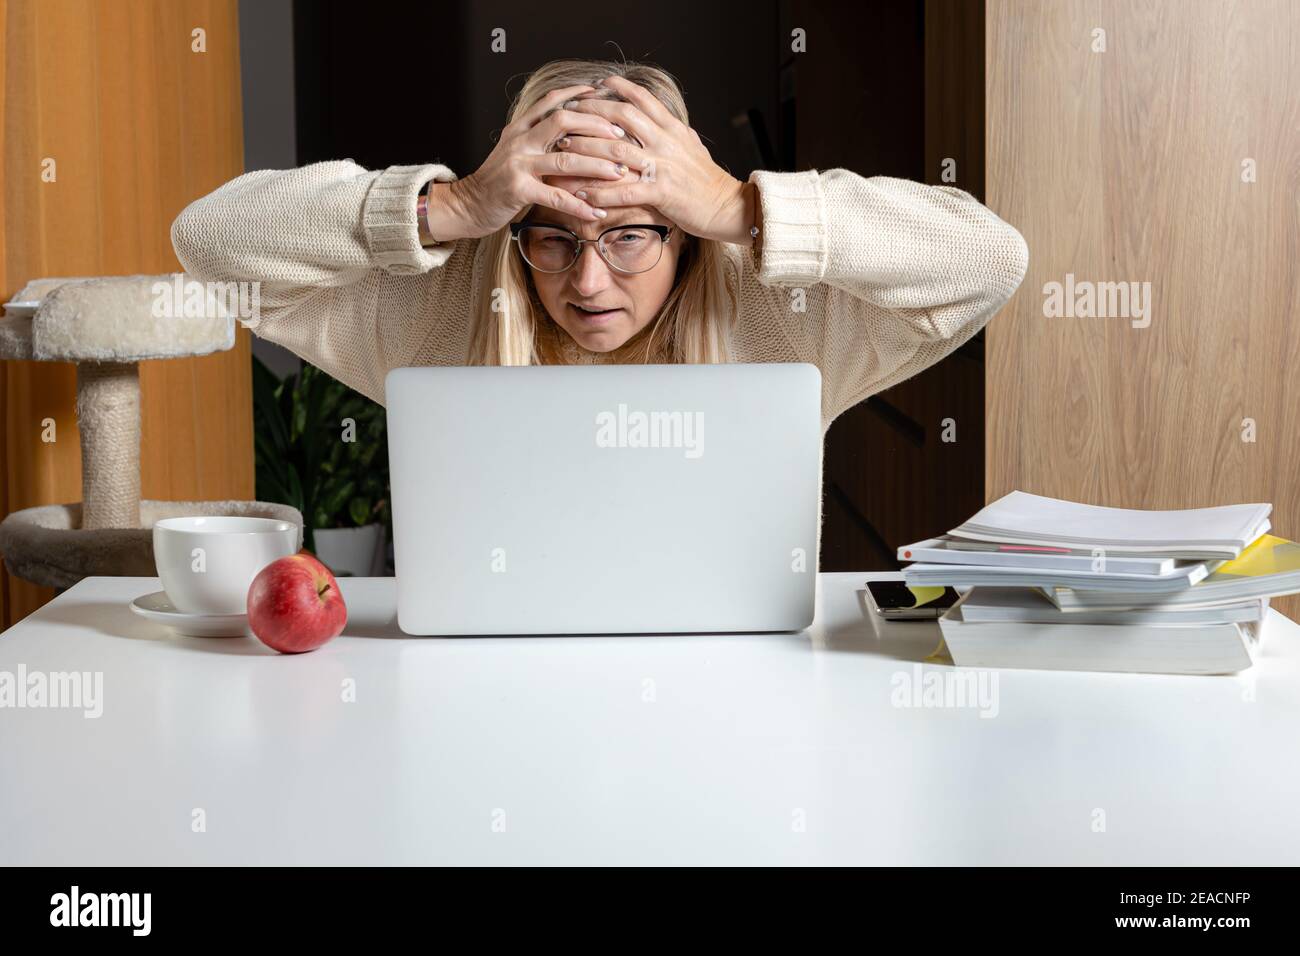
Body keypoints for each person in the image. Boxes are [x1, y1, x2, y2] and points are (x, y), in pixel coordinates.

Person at [171, 58, 1028, 430]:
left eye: (628, 237)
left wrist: (739, 207)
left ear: (684, 236)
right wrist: (451, 206)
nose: (588, 281)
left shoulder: (784, 315)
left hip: (727, 697)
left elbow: (990, 260)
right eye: (553, 238)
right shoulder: (439, 315)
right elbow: (207, 240)